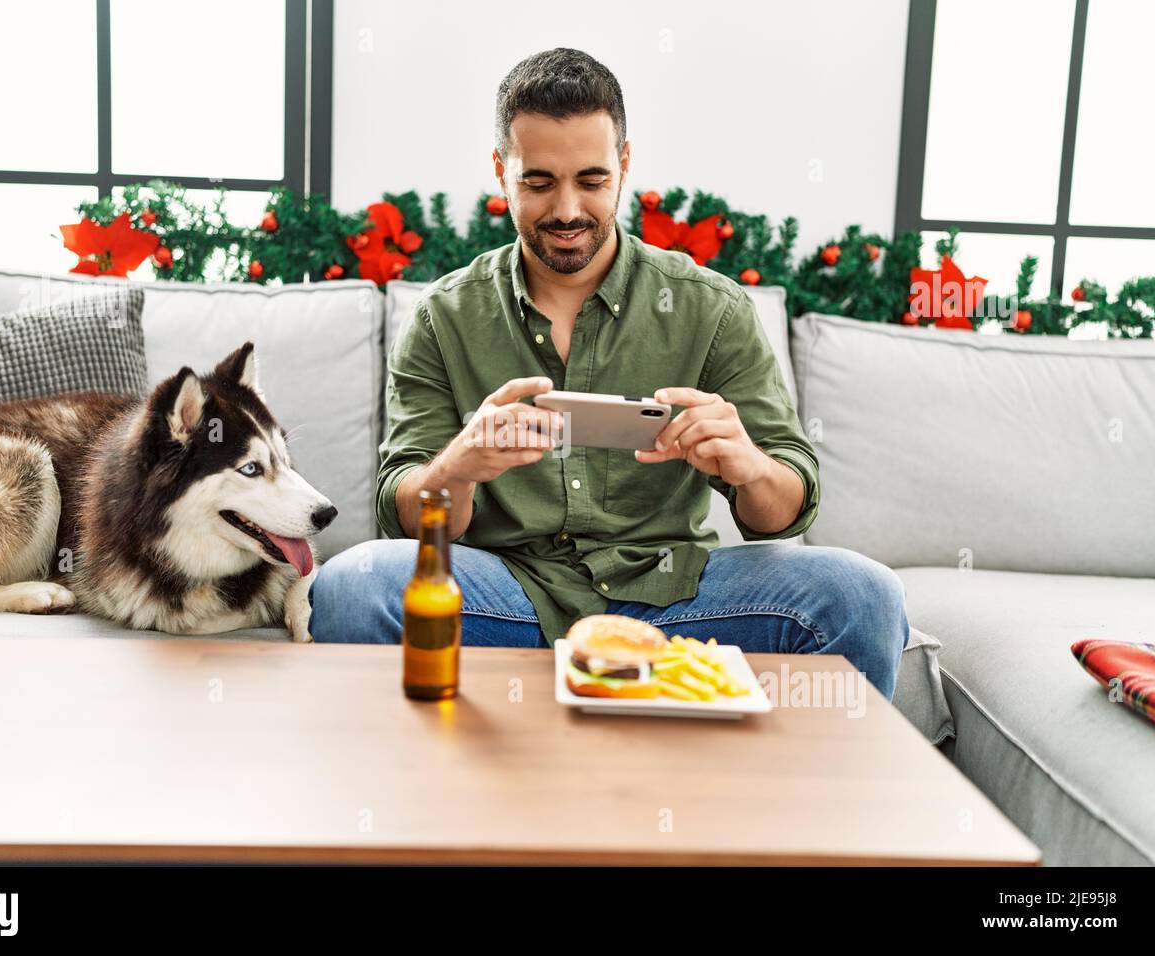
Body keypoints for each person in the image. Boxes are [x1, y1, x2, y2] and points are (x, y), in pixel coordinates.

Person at [310, 47, 909, 699]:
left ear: (624, 164)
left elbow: (785, 509)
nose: (567, 210)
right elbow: (406, 516)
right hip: (507, 596)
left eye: (591, 180)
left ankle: (796, 802)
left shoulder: (710, 307)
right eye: (538, 182)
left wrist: (749, 465)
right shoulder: (444, 318)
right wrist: (460, 466)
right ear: (500, 171)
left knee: (863, 596)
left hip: (677, 599)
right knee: (357, 584)